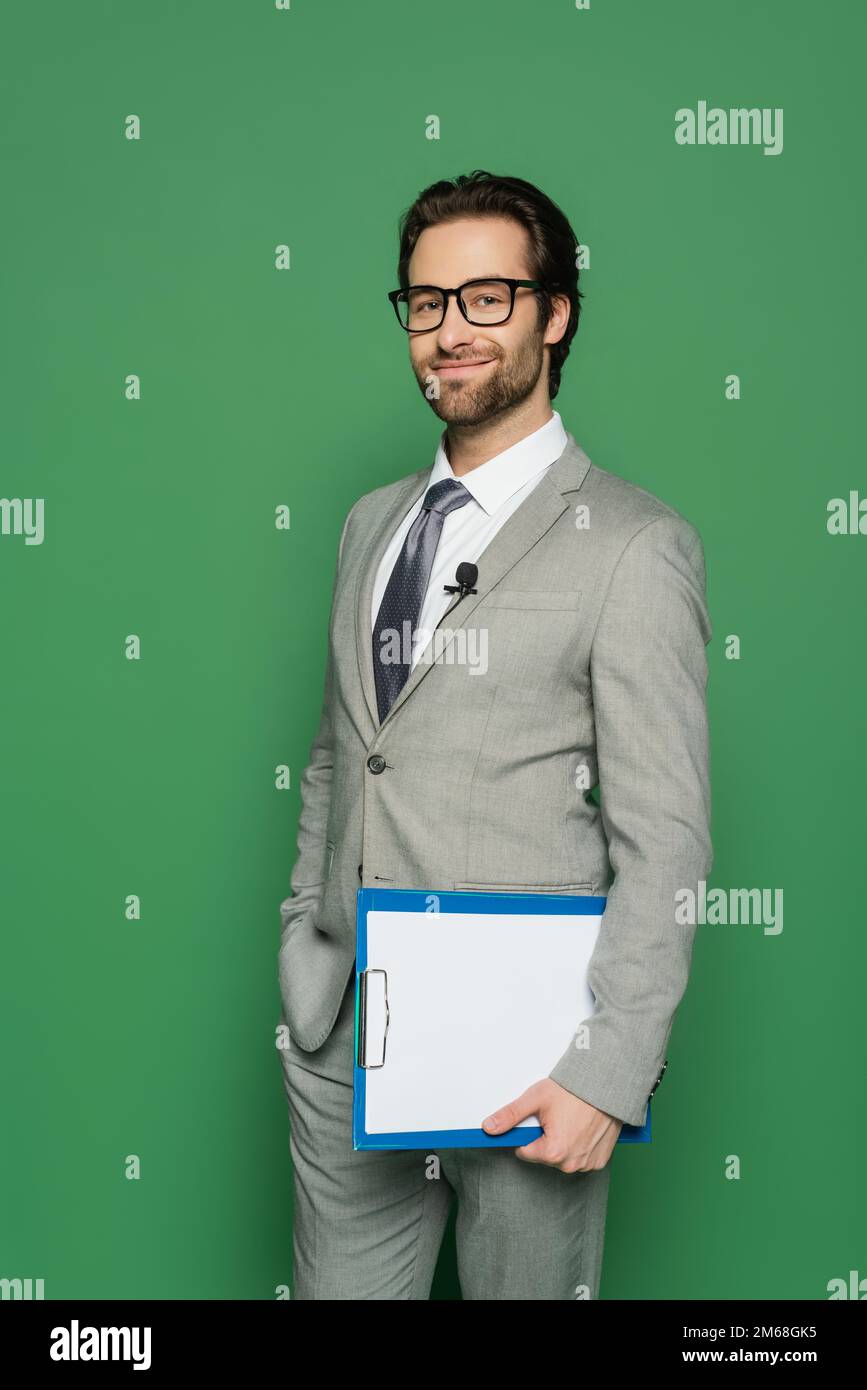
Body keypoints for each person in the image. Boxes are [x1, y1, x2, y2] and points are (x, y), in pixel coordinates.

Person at [277, 170, 713, 1300]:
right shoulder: (370, 523)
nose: (449, 332)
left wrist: (610, 1071)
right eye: (425, 303)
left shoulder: (634, 545)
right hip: (345, 1037)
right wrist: (304, 944)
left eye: (485, 298)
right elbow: (344, 755)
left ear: (554, 314)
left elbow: (666, 838)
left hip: (530, 1059)